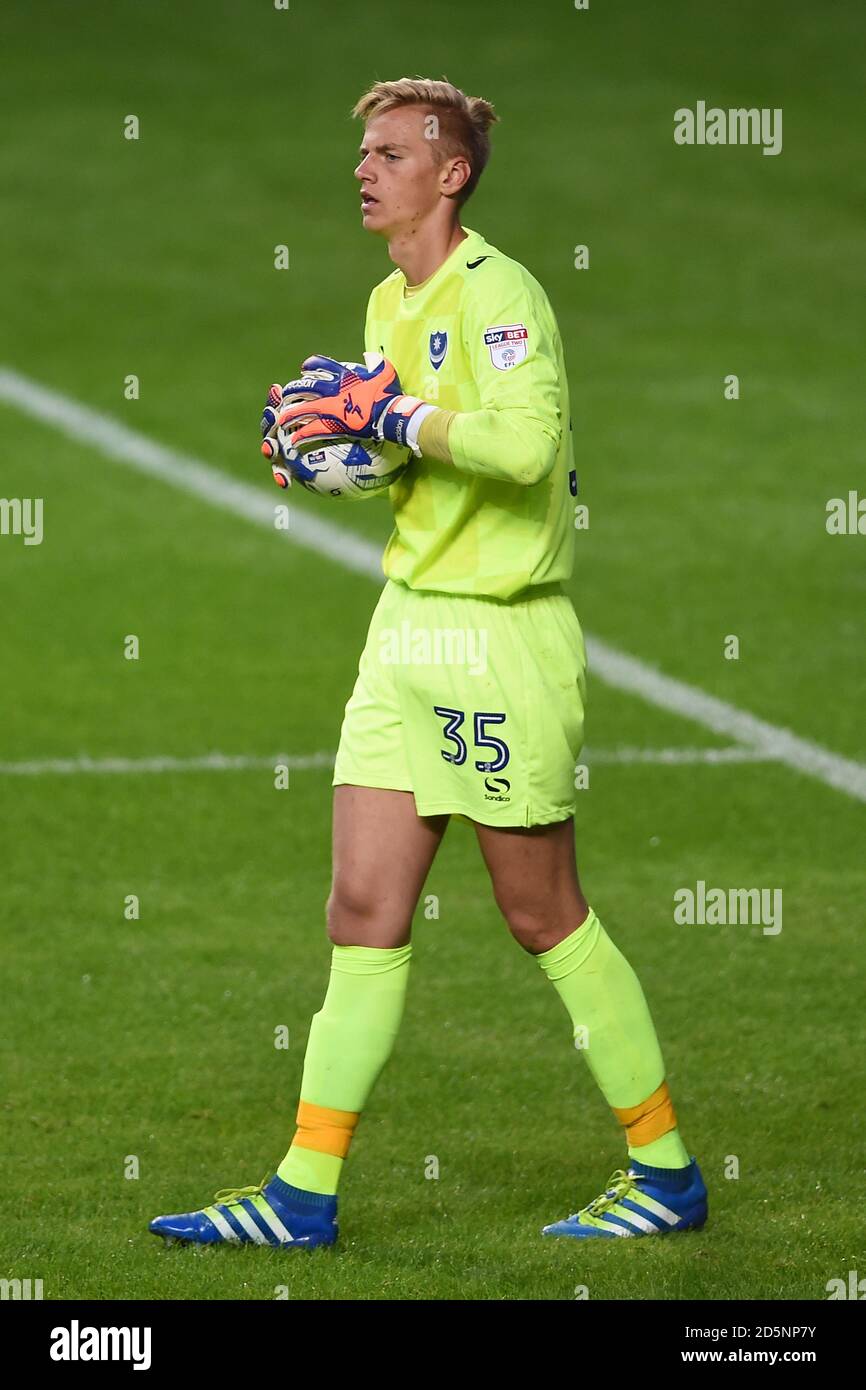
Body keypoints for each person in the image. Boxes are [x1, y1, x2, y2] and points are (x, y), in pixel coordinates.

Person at [149, 77, 707, 1250]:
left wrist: (395, 423)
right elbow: (415, 462)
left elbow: (521, 444)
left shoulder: (499, 295)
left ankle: (662, 1171)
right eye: (363, 150)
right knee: (360, 906)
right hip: (404, 629)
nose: (364, 168)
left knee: (539, 909)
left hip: (499, 636)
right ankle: (302, 1194)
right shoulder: (385, 300)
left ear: (448, 173)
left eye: (391, 152)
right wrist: (336, 460)